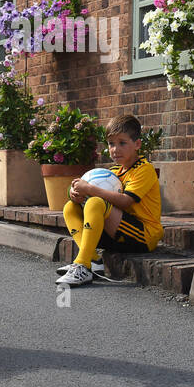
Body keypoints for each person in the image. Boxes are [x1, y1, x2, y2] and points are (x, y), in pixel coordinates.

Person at [55, 114, 163, 286]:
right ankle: (93, 260)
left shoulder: (144, 169)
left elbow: (126, 202)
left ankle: (82, 265)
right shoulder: (114, 171)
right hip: (117, 233)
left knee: (96, 202)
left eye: (122, 143)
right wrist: (74, 193)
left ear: (137, 144)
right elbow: (81, 185)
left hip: (143, 235)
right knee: (70, 207)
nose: (115, 149)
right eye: (111, 143)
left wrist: (90, 189)